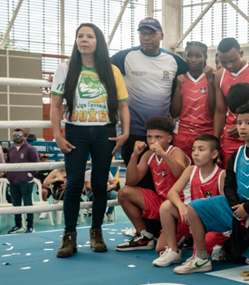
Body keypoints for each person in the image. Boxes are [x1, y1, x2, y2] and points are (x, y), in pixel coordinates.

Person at [51, 23, 130, 258]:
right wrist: (57, 134)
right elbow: (55, 105)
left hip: (104, 132)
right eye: (79, 36)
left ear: (98, 42)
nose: (83, 39)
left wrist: (124, 132)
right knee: (74, 183)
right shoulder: (65, 69)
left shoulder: (111, 70)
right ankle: (69, 237)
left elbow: (123, 105)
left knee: (99, 184)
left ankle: (97, 233)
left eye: (89, 36)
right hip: (76, 132)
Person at [178, 104, 249, 274]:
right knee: (194, 208)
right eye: (239, 123)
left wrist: (248, 208)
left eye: (248, 123)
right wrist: (237, 208)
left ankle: (244, 247)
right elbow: (229, 186)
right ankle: (202, 258)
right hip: (237, 208)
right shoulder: (236, 153)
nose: (242, 127)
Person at [111, 18, 185, 168]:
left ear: (161, 36)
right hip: (133, 132)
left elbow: (197, 72)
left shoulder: (175, 60)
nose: (146, 38)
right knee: (135, 181)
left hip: (161, 135)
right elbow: (98, 67)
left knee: (161, 181)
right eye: (142, 33)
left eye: (151, 34)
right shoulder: (124, 57)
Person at [116, 116, 190, 250]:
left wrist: (164, 155)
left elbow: (181, 176)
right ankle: (144, 235)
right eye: (149, 137)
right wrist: (134, 155)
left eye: (158, 137)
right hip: (161, 202)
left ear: (169, 138)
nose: (152, 141)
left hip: (179, 205)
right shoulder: (148, 155)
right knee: (124, 192)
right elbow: (131, 182)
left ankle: (186, 232)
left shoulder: (176, 152)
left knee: (161, 249)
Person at [152, 134, 225, 267]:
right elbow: (172, 192)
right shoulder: (191, 170)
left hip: (211, 225)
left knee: (203, 253)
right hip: (191, 218)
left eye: (201, 150)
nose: (195, 153)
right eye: (193, 149)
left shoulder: (221, 175)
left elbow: (225, 206)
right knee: (166, 207)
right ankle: (173, 251)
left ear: (214, 154)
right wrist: (181, 206)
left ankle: (223, 246)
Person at [213, 38, 249, 166]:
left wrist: (246, 125)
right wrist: (215, 141)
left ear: (241, 53)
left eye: (233, 60)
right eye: (224, 62)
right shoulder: (219, 75)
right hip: (231, 136)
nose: (229, 65)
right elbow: (220, 111)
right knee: (231, 174)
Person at [170, 41, 216, 158]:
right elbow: (174, 113)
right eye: (189, 55)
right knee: (181, 173)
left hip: (206, 135)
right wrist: (178, 89)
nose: (193, 59)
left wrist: (210, 81)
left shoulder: (213, 77)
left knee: (203, 173)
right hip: (183, 135)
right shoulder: (180, 79)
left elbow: (214, 108)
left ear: (205, 57)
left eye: (198, 56)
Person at [5, 128, 39, 234]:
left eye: (20, 136)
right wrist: (9, 176)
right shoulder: (10, 150)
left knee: (28, 204)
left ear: (23, 137)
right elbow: (8, 164)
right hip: (13, 182)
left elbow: (37, 164)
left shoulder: (30, 149)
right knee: (16, 204)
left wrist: (29, 174)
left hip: (26, 182)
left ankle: (30, 226)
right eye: (15, 136)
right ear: (13, 137)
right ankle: (18, 225)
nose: (18, 138)